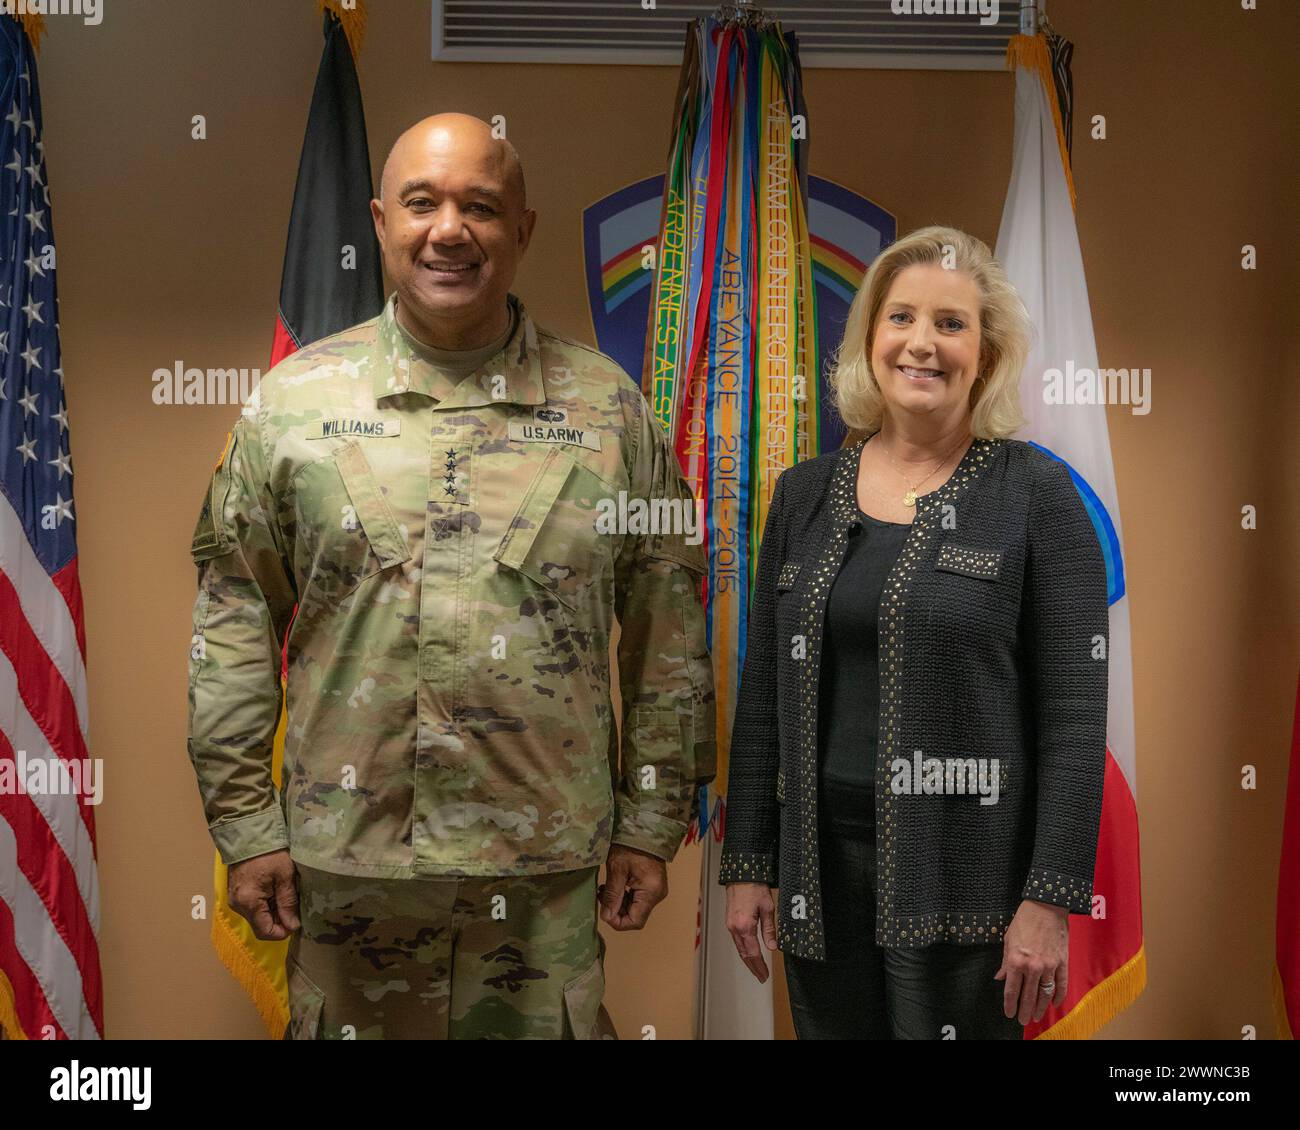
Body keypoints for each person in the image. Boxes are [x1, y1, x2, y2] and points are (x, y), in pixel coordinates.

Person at [185, 114, 715, 1039]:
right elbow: (232, 626)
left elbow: (667, 629)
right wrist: (246, 825)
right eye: (423, 203)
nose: (449, 230)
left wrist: (650, 819)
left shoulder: (608, 411)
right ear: (382, 220)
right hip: (348, 871)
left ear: (523, 229)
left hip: (540, 875)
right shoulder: (294, 405)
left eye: (481, 206)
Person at [719, 225, 1109, 1040]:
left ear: (988, 352)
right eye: (901, 318)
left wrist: (1050, 898)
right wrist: (750, 862)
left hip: (970, 881)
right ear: (870, 339)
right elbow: (762, 700)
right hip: (816, 880)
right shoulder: (803, 496)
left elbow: (1075, 722)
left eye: (951, 324)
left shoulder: (1037, 494)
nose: (921, 344)